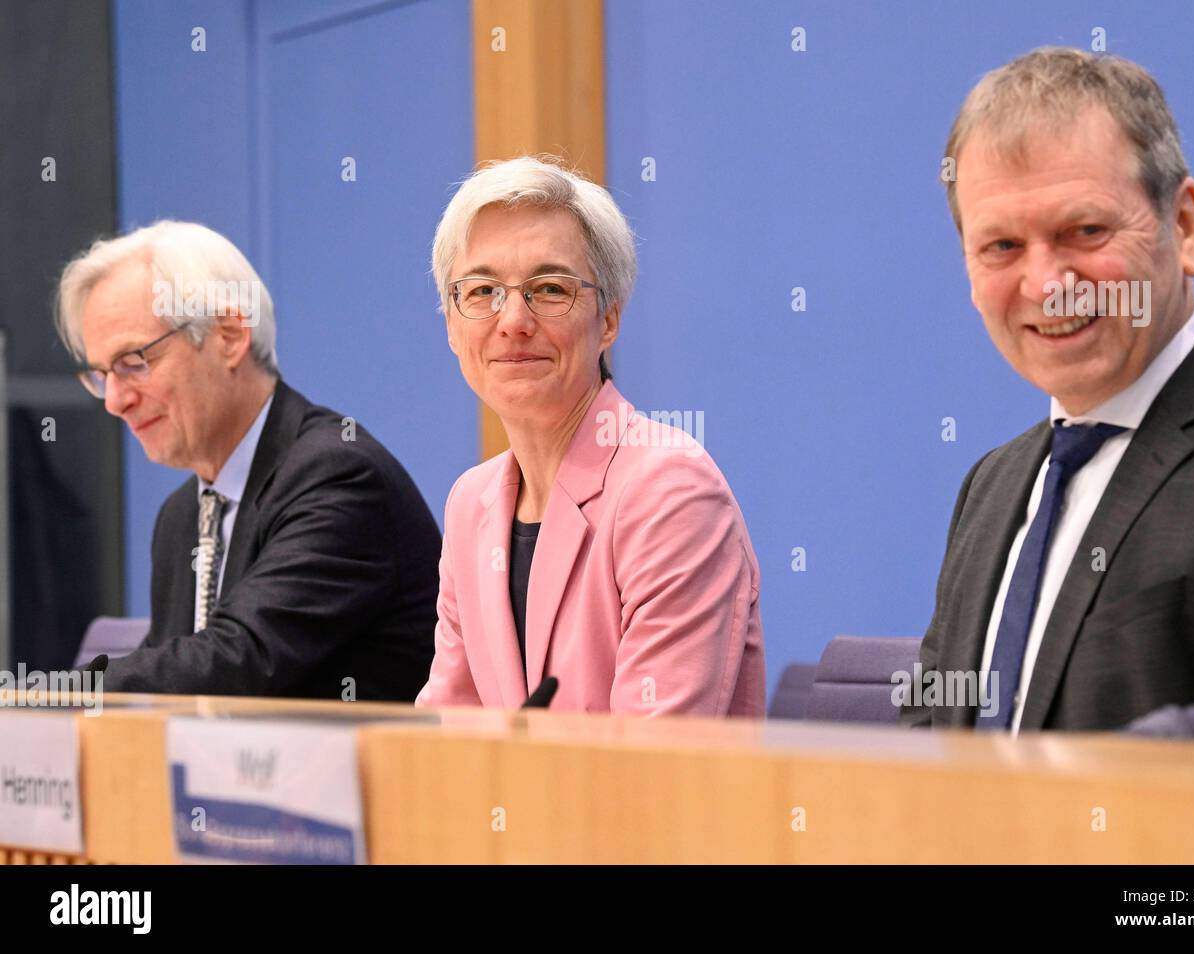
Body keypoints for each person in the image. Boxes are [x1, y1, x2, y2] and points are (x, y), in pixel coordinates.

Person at [901, 48, 1194, 733]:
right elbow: (929, 731)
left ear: (1185, 228)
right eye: (1001, 246)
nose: (1047, 284)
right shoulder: (991, 487)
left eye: (1084, 231)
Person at [415, 157, 765, 716]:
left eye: (549, 289)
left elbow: (653, 764)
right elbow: (446, 736)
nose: (513, 320)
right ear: (452, 327)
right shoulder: (470, 505)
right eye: (481, 292)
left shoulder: (668, 493)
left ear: (608, 320)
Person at [56, 220, 442, 699]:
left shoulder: (338, 477)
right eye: (100, 375)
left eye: (134, 362)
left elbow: (235, 663)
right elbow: (169, 693)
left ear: (230, 336)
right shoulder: (182, 517)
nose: (114, 400)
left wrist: (42, 693)